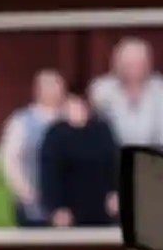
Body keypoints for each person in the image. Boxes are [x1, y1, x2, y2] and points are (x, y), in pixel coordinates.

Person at [38, 93, 121, 227]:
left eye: (80, 106)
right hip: (68, 212)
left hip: (102, 208)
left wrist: (115, 193)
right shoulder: (55, 135)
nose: (77, 111)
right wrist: (55, 209)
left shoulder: (102, 131)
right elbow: (49, 175)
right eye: (72, 106)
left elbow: (114, 166)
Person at [0, 69, 65, 227]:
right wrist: (25, 193)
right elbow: (9, 159)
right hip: (33, 205)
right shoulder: (21, 121)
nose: (54, 90)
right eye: (49, 86)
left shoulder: (70, 118)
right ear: (38, 90)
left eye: (57, 85)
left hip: (67, 207)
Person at [88, 36, 163, 146]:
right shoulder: (101, 89)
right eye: (128, 64)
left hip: (153, 155)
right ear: (116, 64)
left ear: (148, 64)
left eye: (139, 64)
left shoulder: (161, 88)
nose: (133, 69)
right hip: (114, 155)